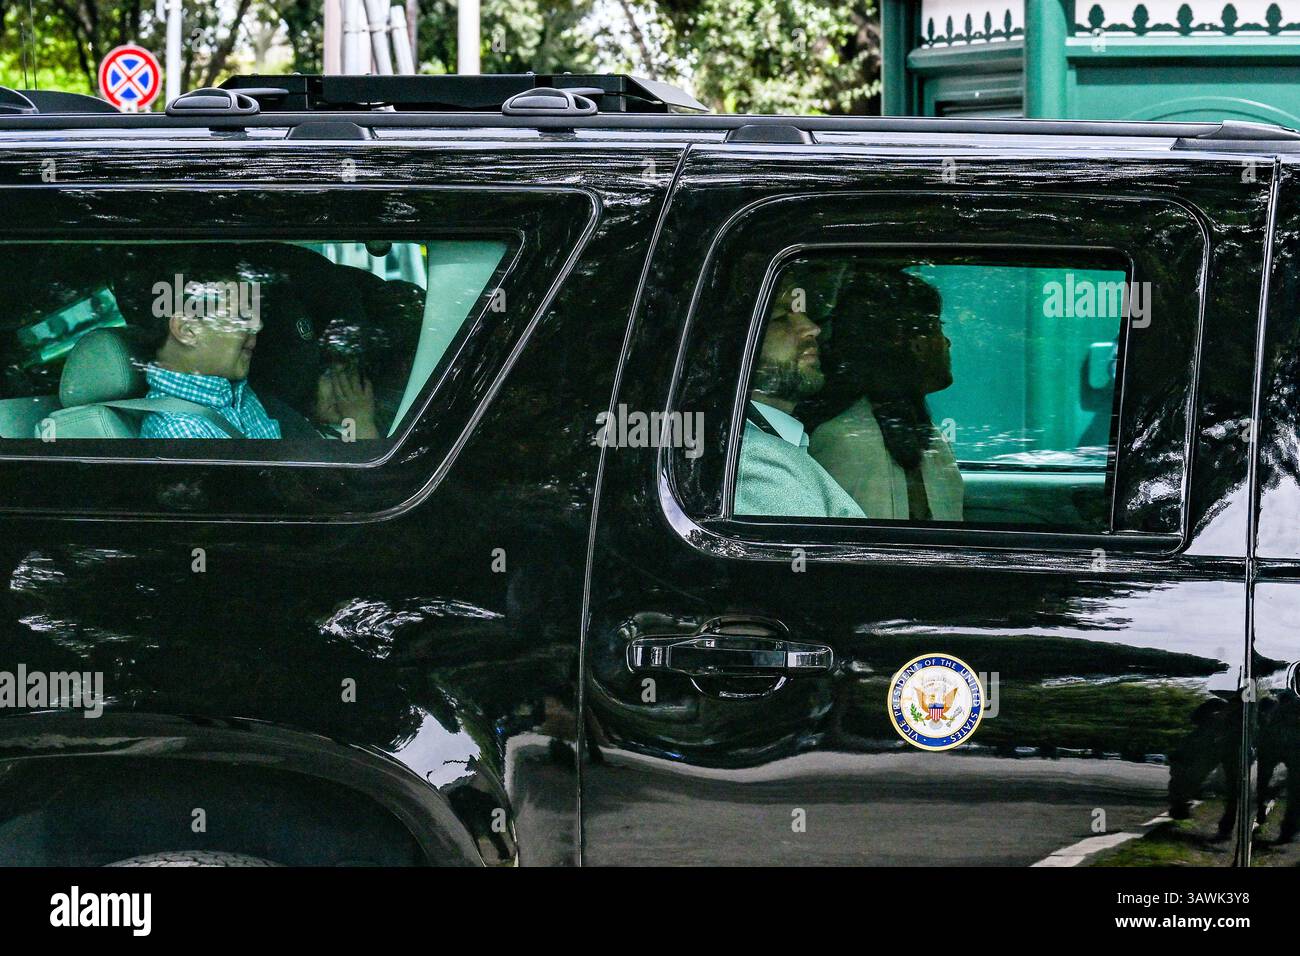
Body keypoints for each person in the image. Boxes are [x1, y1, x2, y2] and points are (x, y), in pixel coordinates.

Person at [808, 270, 963, 521]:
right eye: (938, 327)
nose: (946, 342)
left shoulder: (929, 437)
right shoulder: (844, 442)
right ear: (914, 344)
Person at [735, 268, 865, 519]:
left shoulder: (772, 443)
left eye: (804, 312)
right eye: (781, 316)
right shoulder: (751, 461)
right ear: (735, 339)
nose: (812, 328)